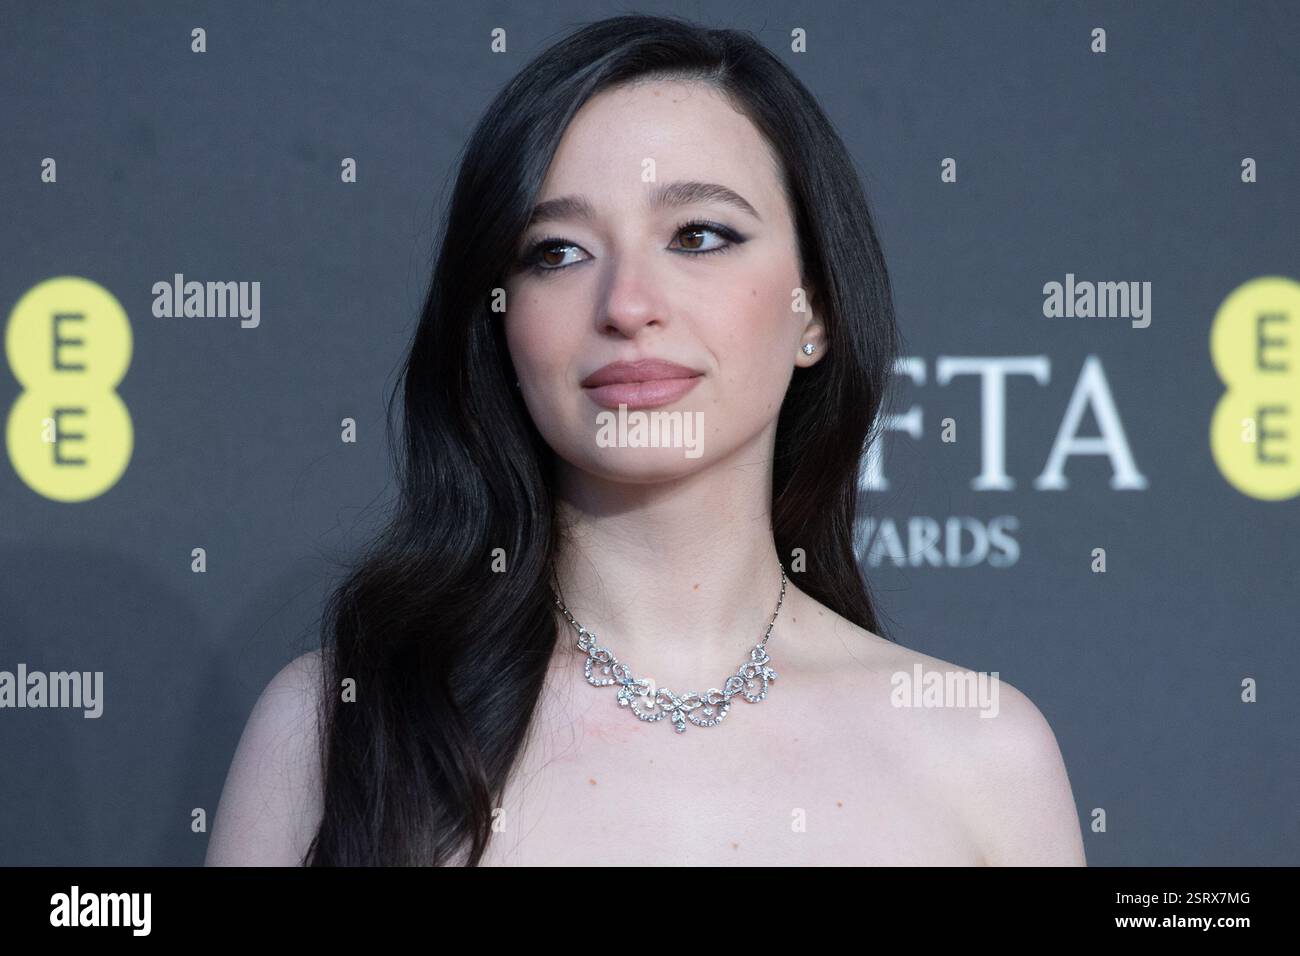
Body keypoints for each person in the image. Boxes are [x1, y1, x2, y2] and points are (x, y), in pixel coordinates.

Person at [206, 13, 1086, 867]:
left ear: (812, 307)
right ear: (499, 318)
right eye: (556, 251)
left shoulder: (982, 754)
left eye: (700, 236)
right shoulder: (341, 725)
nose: (627, 305)